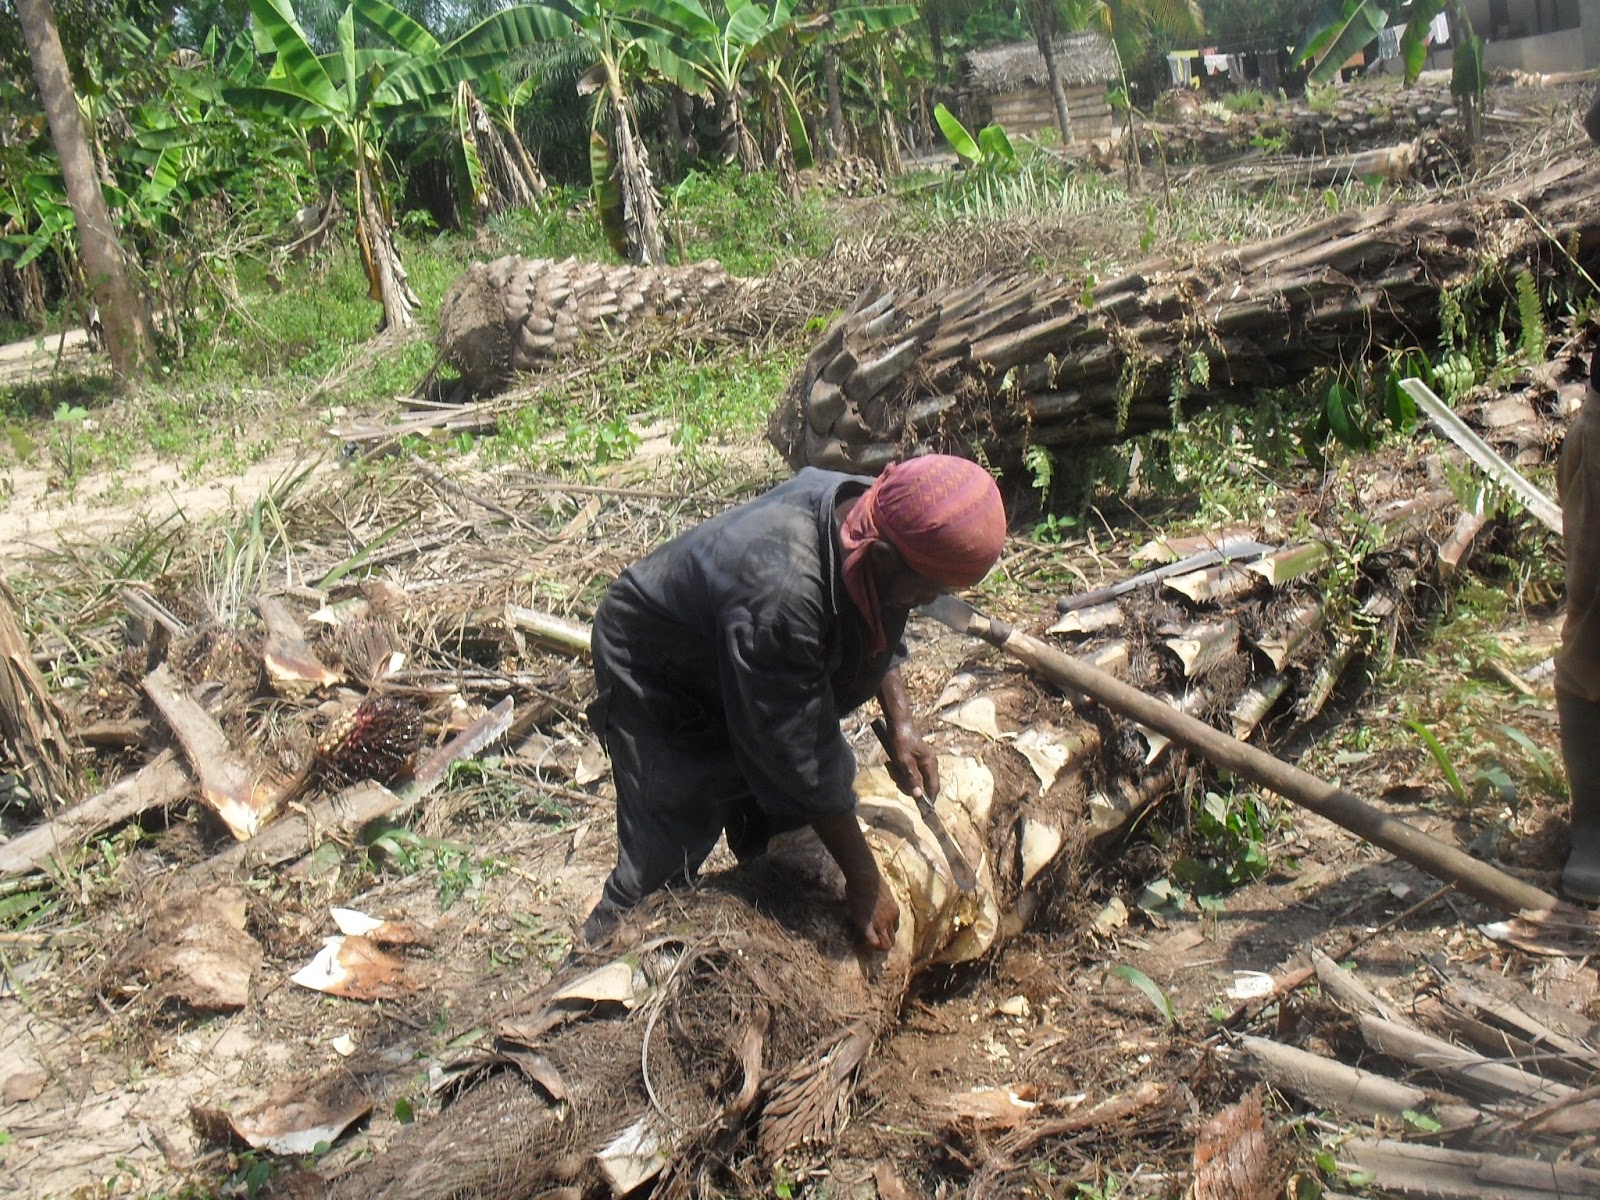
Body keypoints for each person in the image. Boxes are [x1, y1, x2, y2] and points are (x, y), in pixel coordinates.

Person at [581, 454, 1007, 948]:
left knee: (789, 832)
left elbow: (880, 618)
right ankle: (588, 984)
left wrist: (902, 725)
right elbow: (797, 748)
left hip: (750, 648)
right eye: (926, 592)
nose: (925, 602)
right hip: (661, 670)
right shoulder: (783, 592)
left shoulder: (888, 514)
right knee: (661, 861)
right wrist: (865, 878)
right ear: (886, 557)